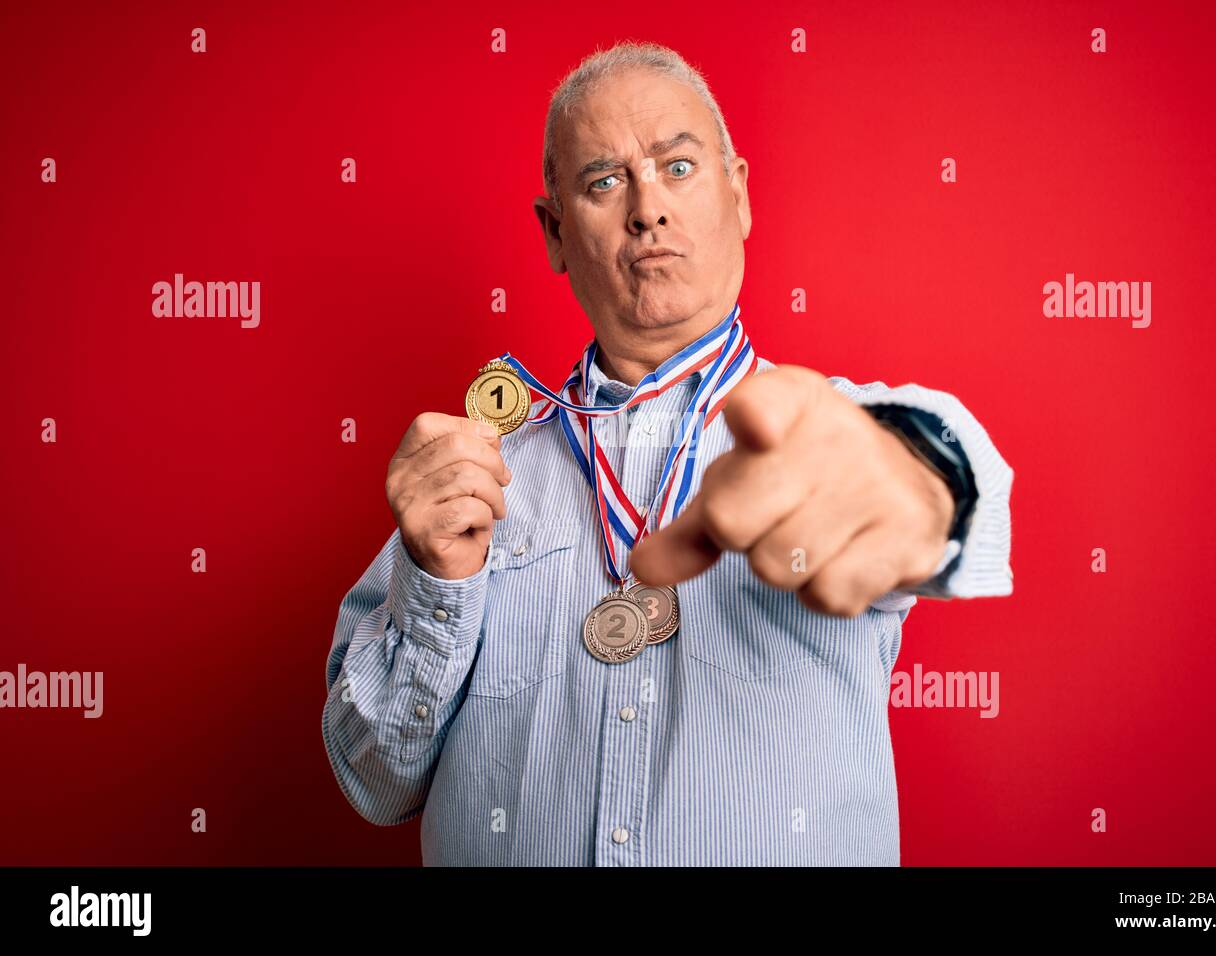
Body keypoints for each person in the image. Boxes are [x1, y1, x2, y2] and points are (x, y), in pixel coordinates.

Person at [322, 40, 1013, 866]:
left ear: (740, 194)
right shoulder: (473, 481)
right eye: (603, 181)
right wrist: (436, 581)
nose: (647, 208)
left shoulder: (827, 431)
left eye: (677, 167)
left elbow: (940, 464)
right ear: (554, 233)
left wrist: (921, 477)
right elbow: (377, 784)